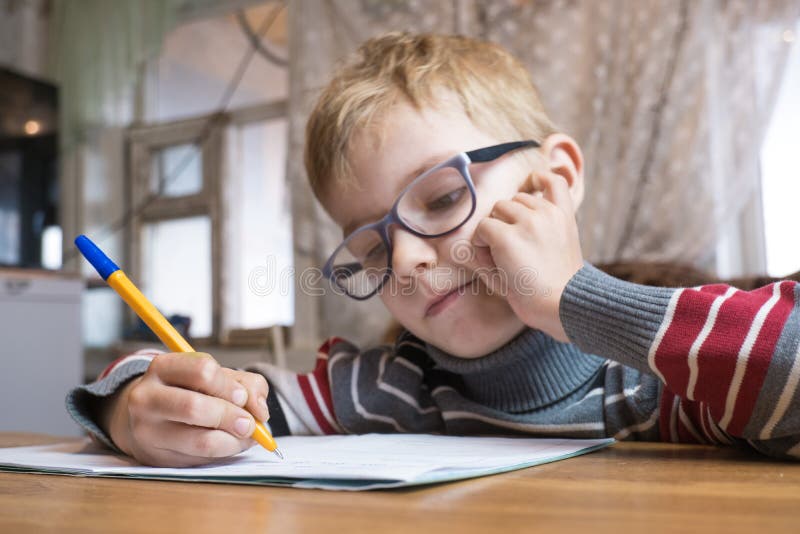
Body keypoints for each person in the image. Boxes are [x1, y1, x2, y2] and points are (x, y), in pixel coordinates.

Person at [66, 32, 800, 467]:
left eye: (443, 198)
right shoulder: (394, 388)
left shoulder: (666, 377)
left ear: (555, 179)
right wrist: (134, 406)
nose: (409, 260)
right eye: (373, 249)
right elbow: (223, 389)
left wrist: (574, 296)